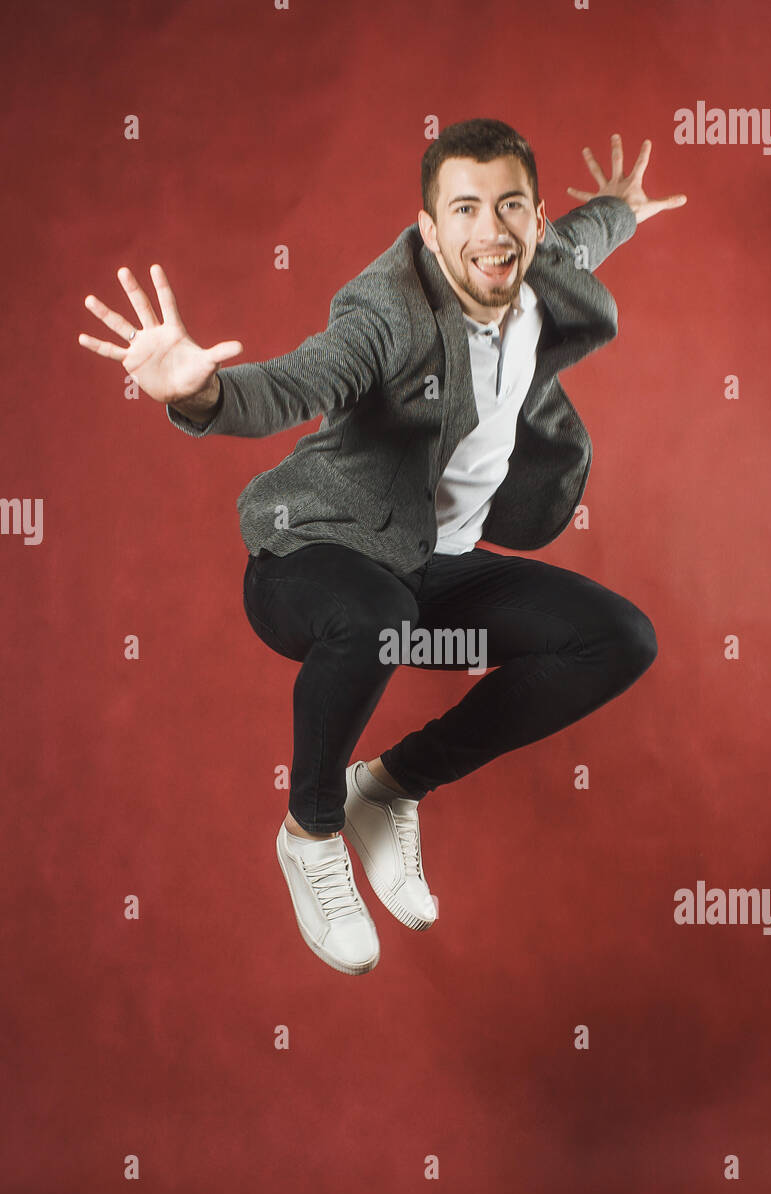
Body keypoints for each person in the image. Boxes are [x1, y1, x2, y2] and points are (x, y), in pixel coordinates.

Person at [78, 119, 686, 978]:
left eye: (509, 207)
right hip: (312, 556)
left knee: (619, 639)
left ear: (535, 220)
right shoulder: (389, 312)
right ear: (430, 230)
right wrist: (202, 390)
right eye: (464, 210)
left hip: (427, 564)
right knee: (380, 615)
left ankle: (388, 786)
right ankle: (312, 830)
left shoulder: (541, 266)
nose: (490, 230)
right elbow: (299, 380)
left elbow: (583, 238)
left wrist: (619, 210)